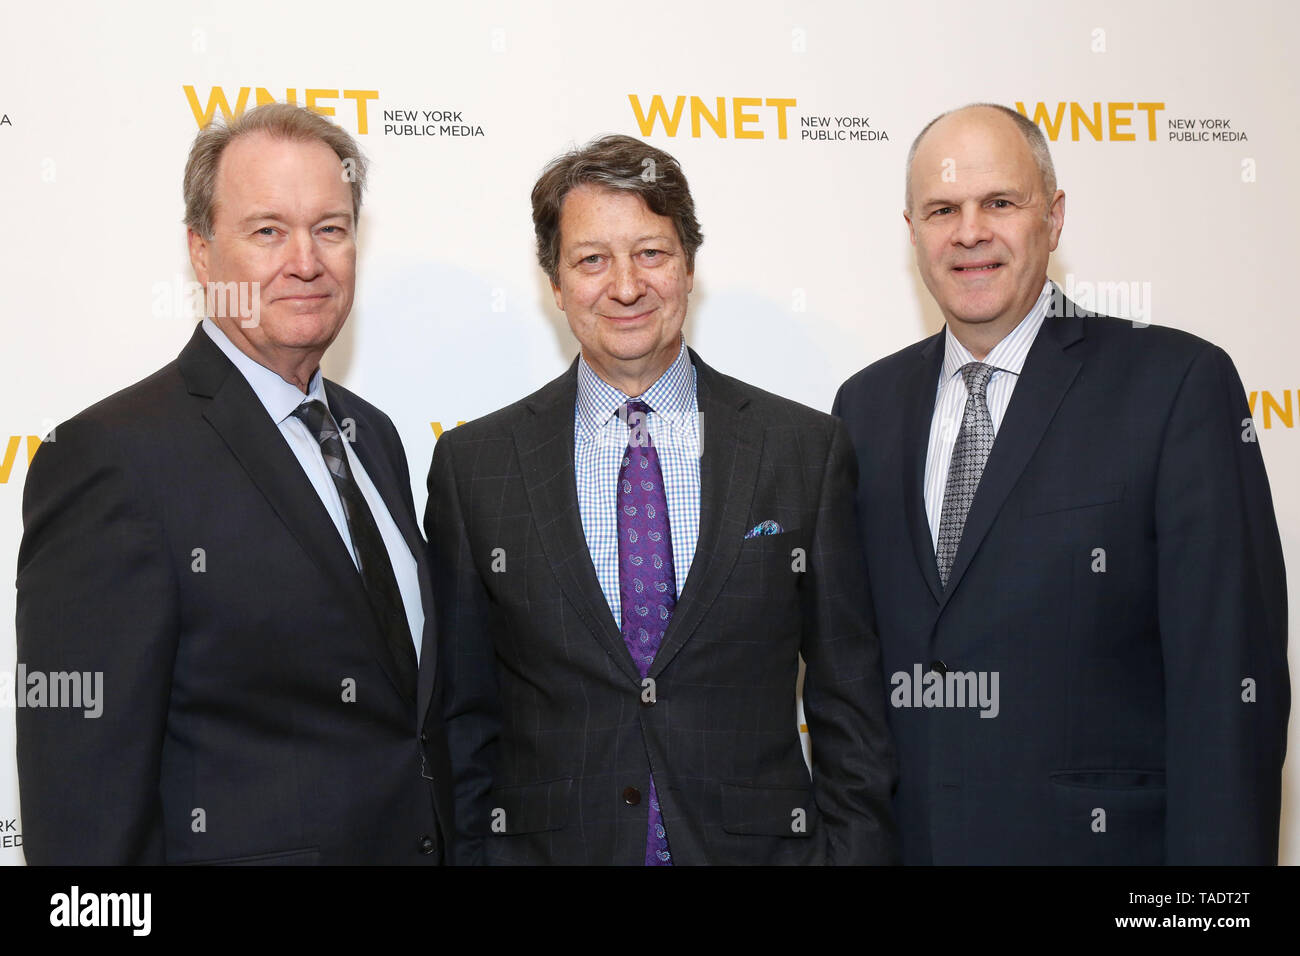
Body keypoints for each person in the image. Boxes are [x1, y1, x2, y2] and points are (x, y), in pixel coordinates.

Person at [833, 103, 1289, 864]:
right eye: (943, 209)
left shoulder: (1174, 385)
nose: (969, 231)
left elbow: (1228, 691)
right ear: (911, 230)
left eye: (999, 203)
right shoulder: (864, 407)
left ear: (1054, 215)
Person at [426, 134, 897, 865]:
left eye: (650, 252)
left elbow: (850, 708)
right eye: (591, 260)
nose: (625, 285)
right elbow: (462, 722)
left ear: (688, 266)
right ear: (555, 281)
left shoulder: (803, 451)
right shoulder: (473, 467)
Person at [16, 103, 454, 864]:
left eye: (330, 227)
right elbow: (82, 812)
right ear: (202, 252)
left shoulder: (372, 436)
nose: (306, 261)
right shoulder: (111, 458)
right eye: (267, 231)